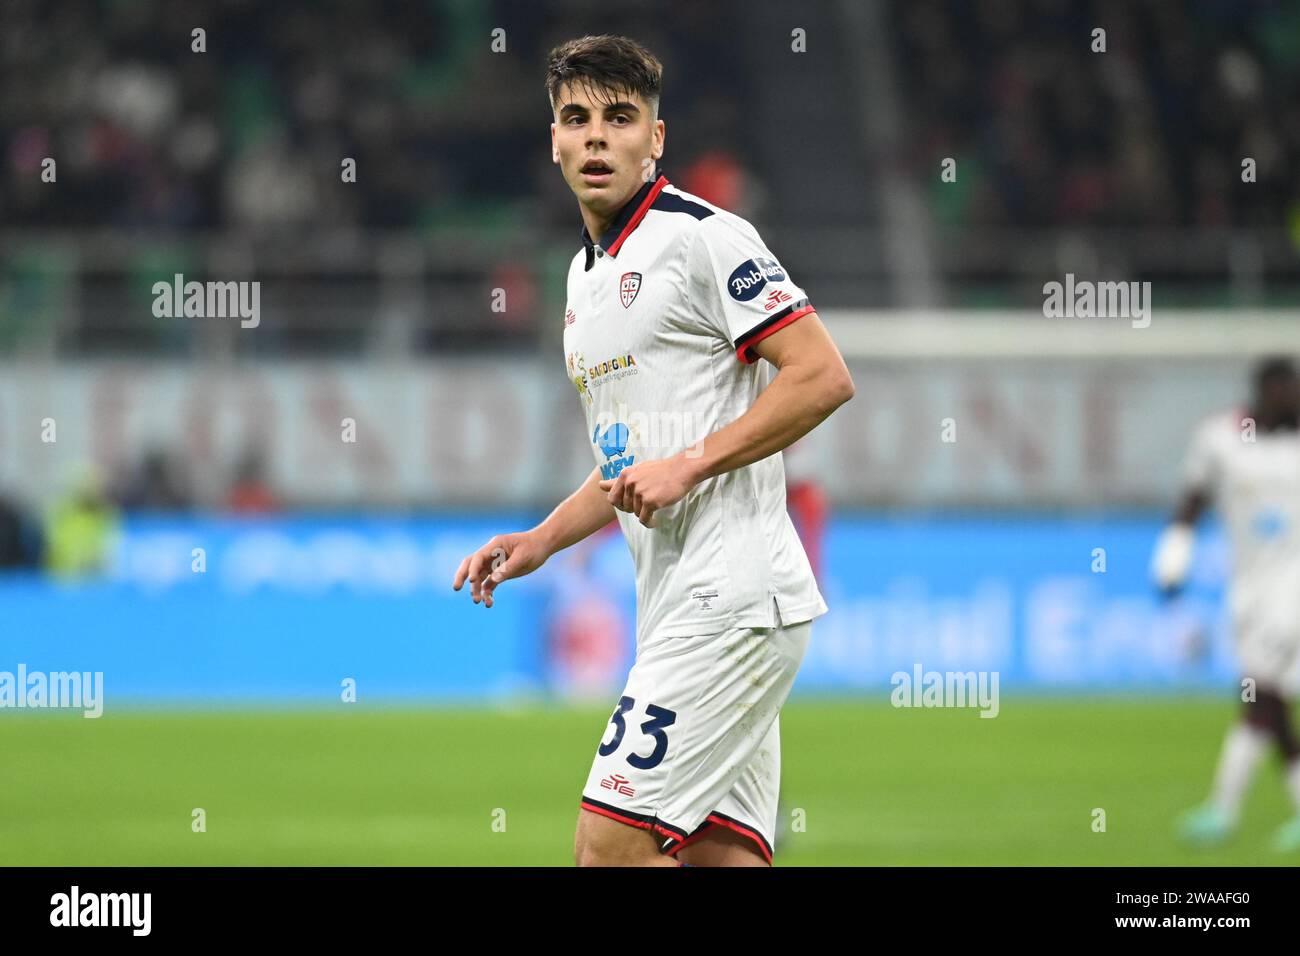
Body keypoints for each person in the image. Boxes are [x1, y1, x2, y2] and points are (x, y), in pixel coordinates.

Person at [453, 35, 854, 866]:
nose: (596, 137)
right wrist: (541, 540)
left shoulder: (706, 238)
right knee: (720, 859)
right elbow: (629, 462)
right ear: (555, 141)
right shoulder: (584, 279)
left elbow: (821, 376)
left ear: (655, 139)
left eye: (619, 118)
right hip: (676, 604)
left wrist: (694, 463)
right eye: (577, 119)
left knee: (608, 848)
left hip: (731, 598)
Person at [1153, 356, 1300, 852]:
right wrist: (1173, 560)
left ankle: (1223, 809)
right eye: (1286, 389)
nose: (1293, 397)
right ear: (1263, 391)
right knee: (1268, 699)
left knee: (1260, 694)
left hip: (1293, 590)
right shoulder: (1220, 438)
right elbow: (1192, 500)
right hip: (1249, 590)